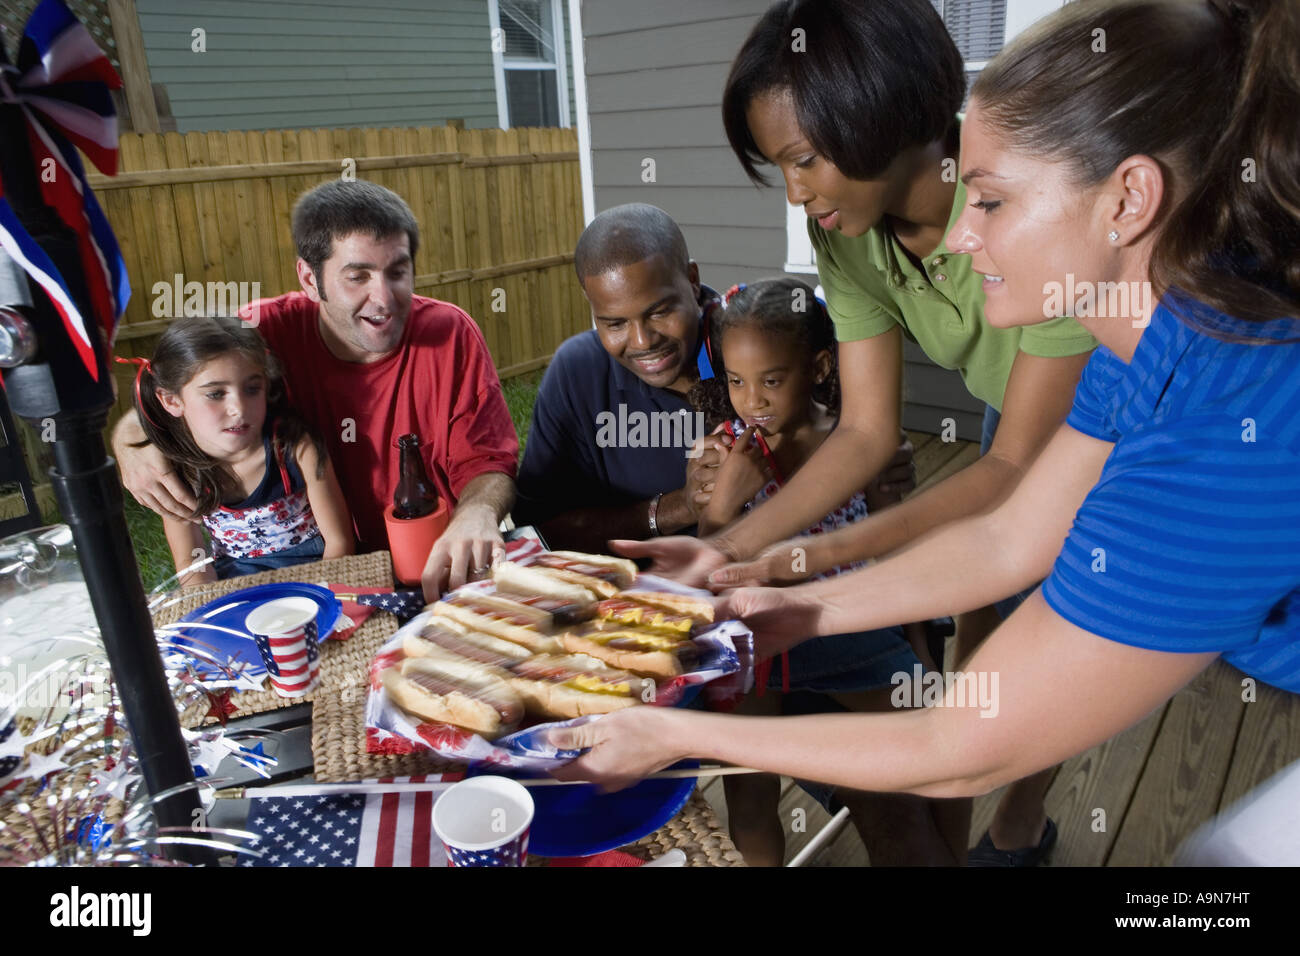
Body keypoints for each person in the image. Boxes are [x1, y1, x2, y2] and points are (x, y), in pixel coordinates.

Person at [549, 0, 1300, 860]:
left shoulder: (1230, 435)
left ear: (1128, 198)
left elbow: (957, 750)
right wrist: (785, 603)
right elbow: (1007, 540)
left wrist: (679, 738)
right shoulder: (1139, 341)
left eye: (988, 201)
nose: (962, 235)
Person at [610, 0, 1102, 865]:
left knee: (1042, 640)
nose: (797, 192)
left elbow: (1020, 469)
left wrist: (795, 564)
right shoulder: (848, 229)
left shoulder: (1041, 215)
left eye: (805, 159)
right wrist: (733, 555)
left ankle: (1022, 822)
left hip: (1105, 420)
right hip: (1012, 410)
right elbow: (868, 433)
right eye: (780, 167)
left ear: (886, 111)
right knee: (976, 645)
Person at [112, 180, 518, 599]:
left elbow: (489, 461)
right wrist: (131, 437)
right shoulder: (259, 331)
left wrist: (478, 511)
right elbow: (184, 377)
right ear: (309, 278)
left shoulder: (450, 334)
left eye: (397, 272)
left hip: (429, 570)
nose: (383, 298)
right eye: (357, 276)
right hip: (314, 575)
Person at [689, 277, 958, 865]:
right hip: (754, 646)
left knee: (944, 747)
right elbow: (709, 559)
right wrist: (720, 506)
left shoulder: (854, 443)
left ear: (817, 367)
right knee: (749, 788)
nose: (751, 400)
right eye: (736, 381)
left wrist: (922, 654)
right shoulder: (726, 451)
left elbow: (894, 551)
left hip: (847, 631)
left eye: (771, 381)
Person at [512, 202, 919, 552]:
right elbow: (536, 533)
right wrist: (681, 507)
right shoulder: (577, 373)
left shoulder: (757, 344)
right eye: (614, 323)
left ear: (692, 281)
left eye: (659, 311)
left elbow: (859, 443)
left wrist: (871, 457)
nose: (642, 341)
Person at [120, 315, 352, 585]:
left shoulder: (296, 448)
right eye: (216, 394)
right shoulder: (178, 472)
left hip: (316, 572)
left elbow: (339, 542)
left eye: (252, 389)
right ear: (172, 400)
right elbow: (191, 562)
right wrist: (208, 611)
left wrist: (325, 596)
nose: (239, 409)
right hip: (235, 581)